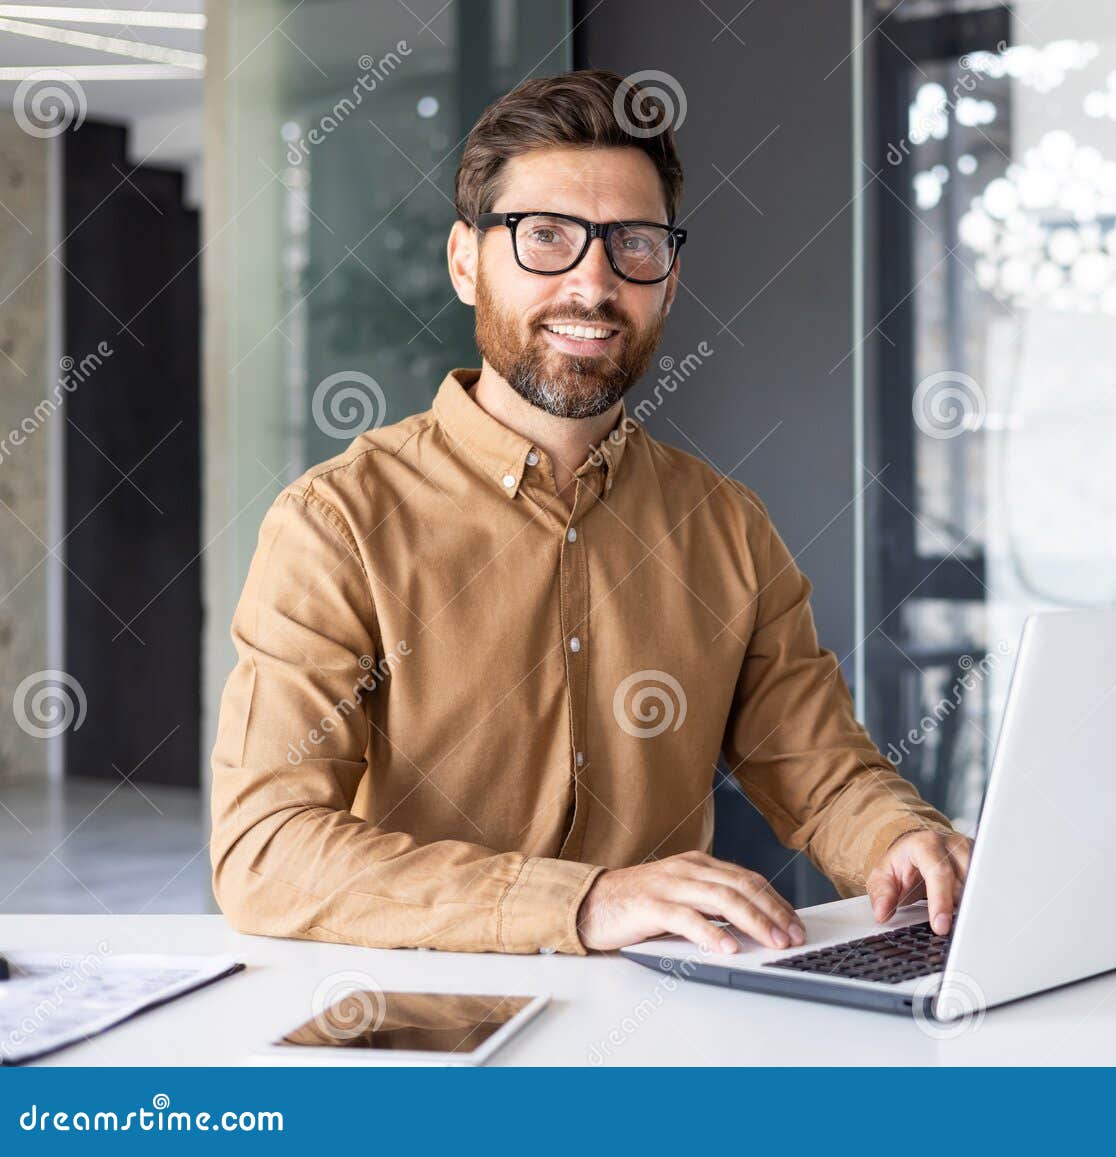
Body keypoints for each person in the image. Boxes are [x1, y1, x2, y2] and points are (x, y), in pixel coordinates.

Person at [209, 69, 971, 958]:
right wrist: (583, 902)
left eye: (633, 244)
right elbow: (265, 847)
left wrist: (900, 837)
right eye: (546, 237)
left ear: (670, 276)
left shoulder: (727, 525)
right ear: (466, 261)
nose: (594, 282)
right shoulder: (336, 523)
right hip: (423, 1025)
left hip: (659, 1031)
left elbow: (822, 772)